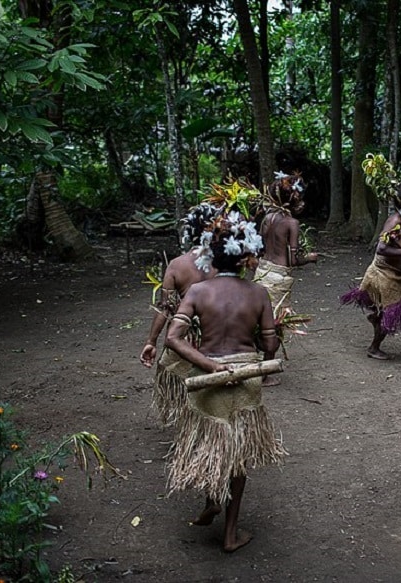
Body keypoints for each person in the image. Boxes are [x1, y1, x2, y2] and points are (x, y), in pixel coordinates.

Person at [165, 211, 286, 553]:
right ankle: (230, 533)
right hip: (245, 378)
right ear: (247, 257)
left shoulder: (199, 291)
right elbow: (271, 343)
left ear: (210, 255)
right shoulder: (259, 292)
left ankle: (212, 500)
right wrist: (262, 355)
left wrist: (209, 364)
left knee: (210, 443)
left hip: (206, 378)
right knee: (237, 455)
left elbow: (174, 338)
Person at [140, 202, 220, 426]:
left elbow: (166, 307)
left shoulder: (177, 265)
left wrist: (151, 341)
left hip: (183, 337)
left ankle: (189, 422)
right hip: (217, 334)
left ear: (190, 231)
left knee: (181, 379)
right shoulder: (226, 263)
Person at [340, 182, 401, 359]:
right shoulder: (394, 221)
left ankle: (377, 318)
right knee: (391, 314)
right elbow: (381, 248)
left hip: (400, 275)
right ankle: (374, 347)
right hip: (384, 274)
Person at [255, 172, 318, 310]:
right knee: (276, 322)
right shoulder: (291, 223)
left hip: (261, 272)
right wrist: (309, 258)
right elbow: (293, 261)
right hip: (279, 278)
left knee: (261, 317)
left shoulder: (267, 218)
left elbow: (259, 247)